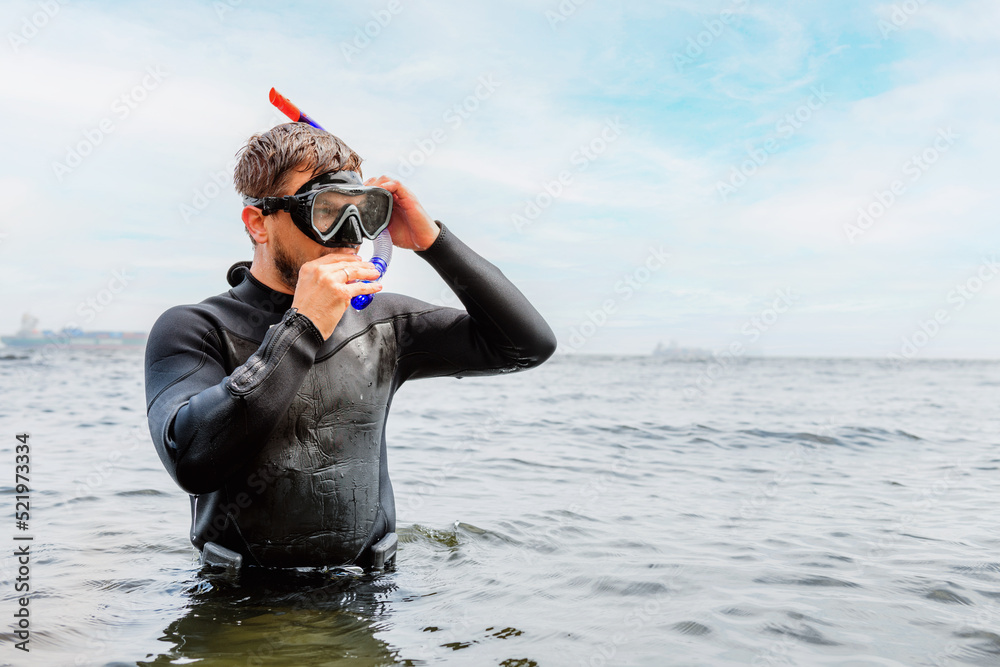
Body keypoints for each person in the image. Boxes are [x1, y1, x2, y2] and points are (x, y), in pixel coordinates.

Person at [144, 122, 556, 572]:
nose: (349, 232)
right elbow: (193, 462)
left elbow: (526, 346)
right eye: (326, 211)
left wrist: (432, 242)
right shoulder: (195, 328)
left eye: (362, 210)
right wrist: (303, 326)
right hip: (241, 606)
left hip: (366, 597)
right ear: (259, 223)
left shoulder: (385, 324)